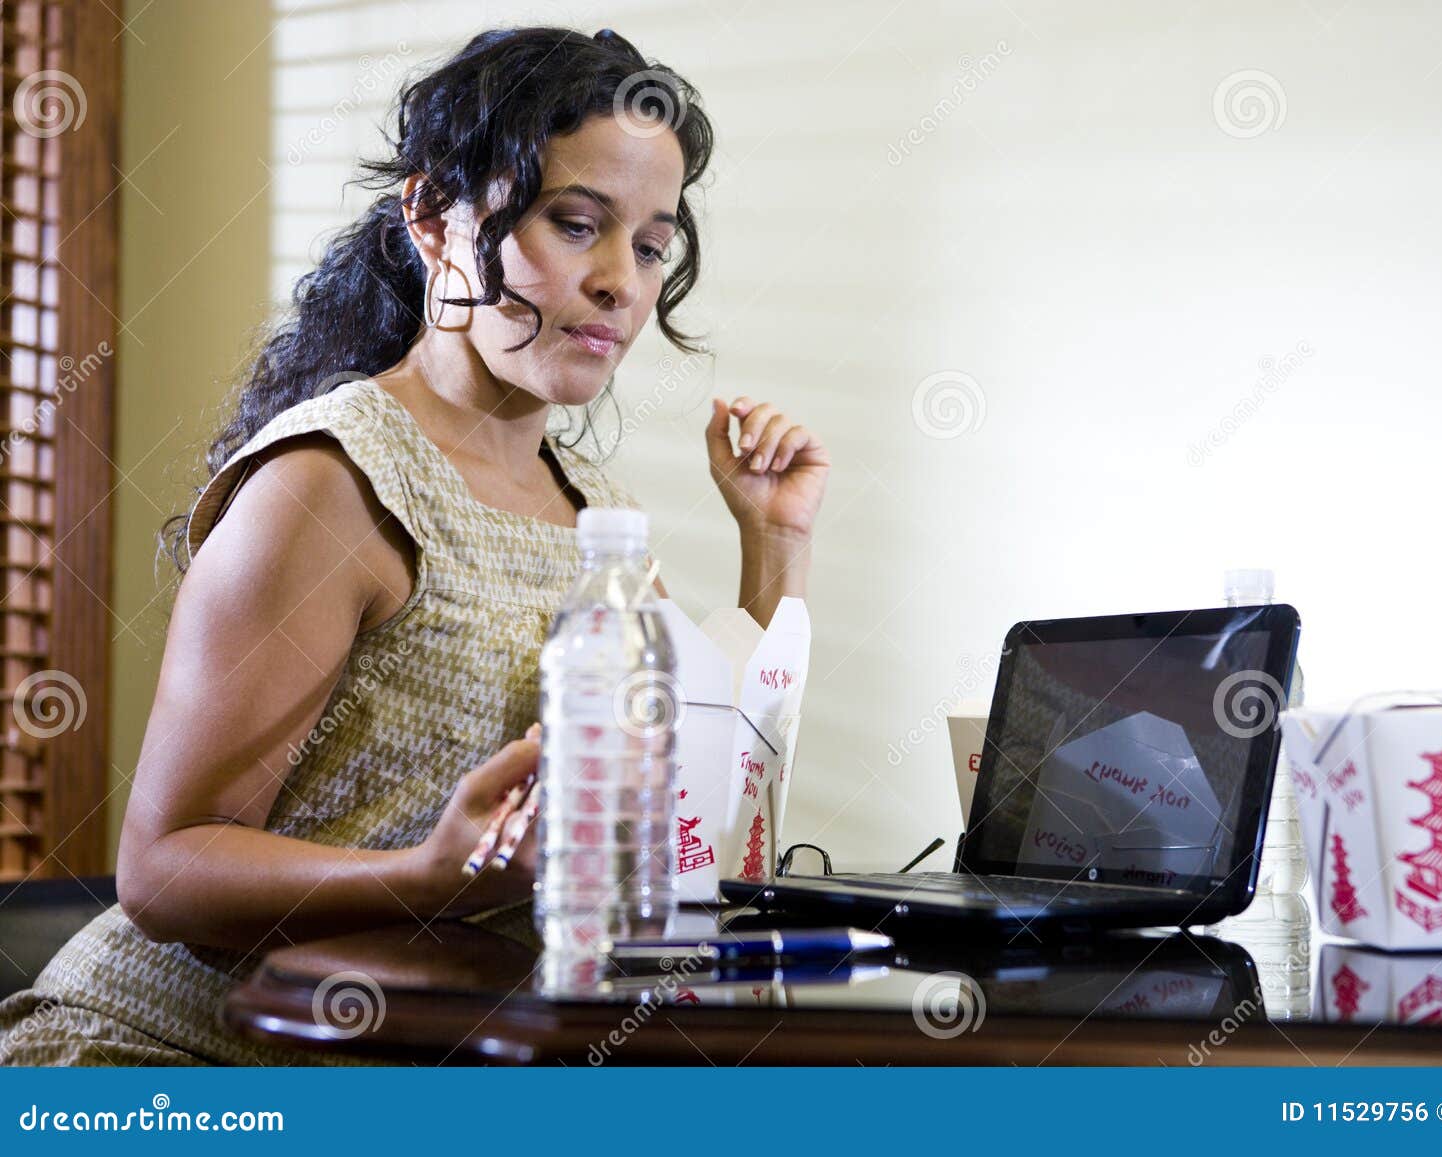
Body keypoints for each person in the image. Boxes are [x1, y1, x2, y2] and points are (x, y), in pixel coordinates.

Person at [0, 26, 828, 1066]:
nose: (622, 280)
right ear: (435, 218)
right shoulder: (331, 480)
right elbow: (164, 873)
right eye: (577, 223)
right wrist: (436, 873)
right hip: (178, 1055)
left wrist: (774, 542)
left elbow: (698, 813)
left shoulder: (598, 524)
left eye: (652, 244)